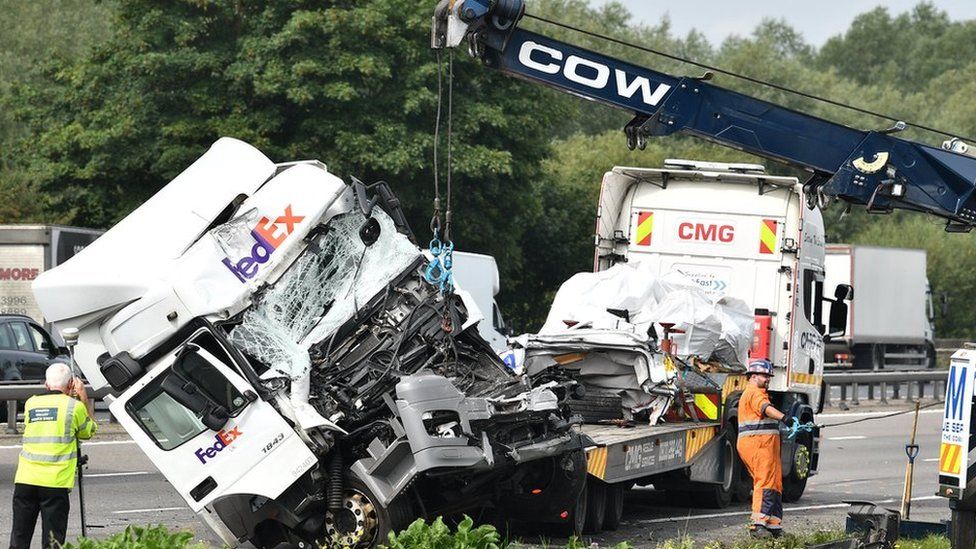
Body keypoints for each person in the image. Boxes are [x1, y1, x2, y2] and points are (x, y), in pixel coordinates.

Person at [10, 363, 97, 549]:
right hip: (55, 483)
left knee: (19, 538)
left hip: (26, 480)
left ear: (46, 384)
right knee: (53, 542)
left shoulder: (31, 403)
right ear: (70, 385)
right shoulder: (74, 407)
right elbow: (88, 431)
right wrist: (83, 398)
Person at [736, 359, 795, 538]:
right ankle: (758, 524)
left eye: (769, 376)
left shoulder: (759, 392)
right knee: (765, 482)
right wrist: (784, 418)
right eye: (764, 376)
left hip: (765, 445)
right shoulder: (754, 393)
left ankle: (773, 524)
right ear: (753, 376)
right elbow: (766, 409)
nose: (768, 379)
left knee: (775, 483)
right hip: (757, 444)